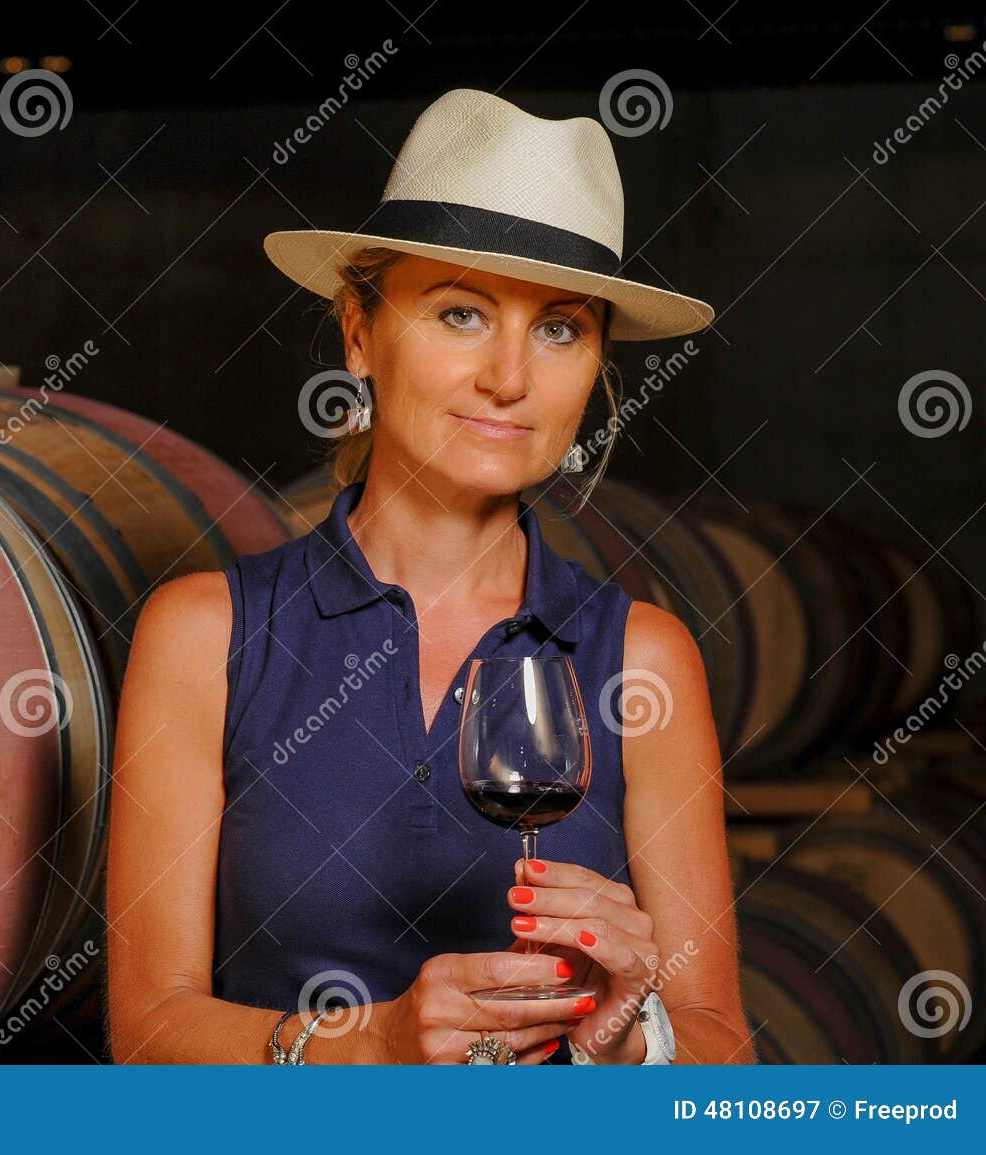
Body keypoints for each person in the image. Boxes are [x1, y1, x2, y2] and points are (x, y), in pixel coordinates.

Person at [106, 88, 752, 1065]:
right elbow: (148, 1035)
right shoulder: (205, 637)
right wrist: (373, 1048)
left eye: (560, 329)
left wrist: (631, 1041)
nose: (508, 377)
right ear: (358, 331)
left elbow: (722, 1051)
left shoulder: (645, 658)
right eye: (460, 312)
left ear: (595, 367)